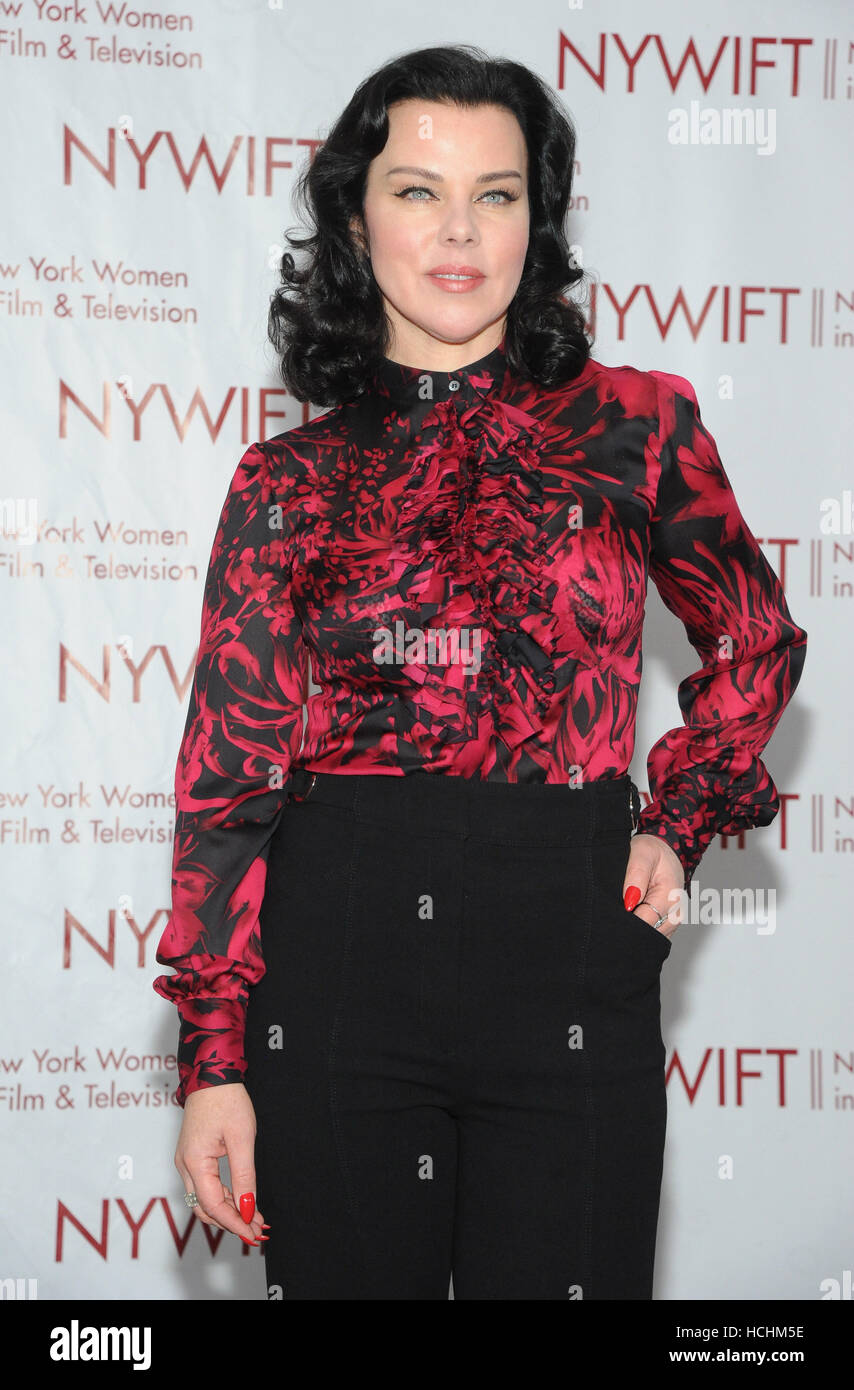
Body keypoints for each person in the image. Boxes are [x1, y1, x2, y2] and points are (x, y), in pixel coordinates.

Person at [153, 44, 807, 1300]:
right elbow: (227, 778)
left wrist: (672, 825)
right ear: (355, 215)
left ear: (536, 218)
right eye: (416, 189)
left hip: (566, 952)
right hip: (336, 970)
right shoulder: (288, 480)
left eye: (496, 194)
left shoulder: (635, 424)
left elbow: (752, 639)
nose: (458, 230)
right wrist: (215, 1059)